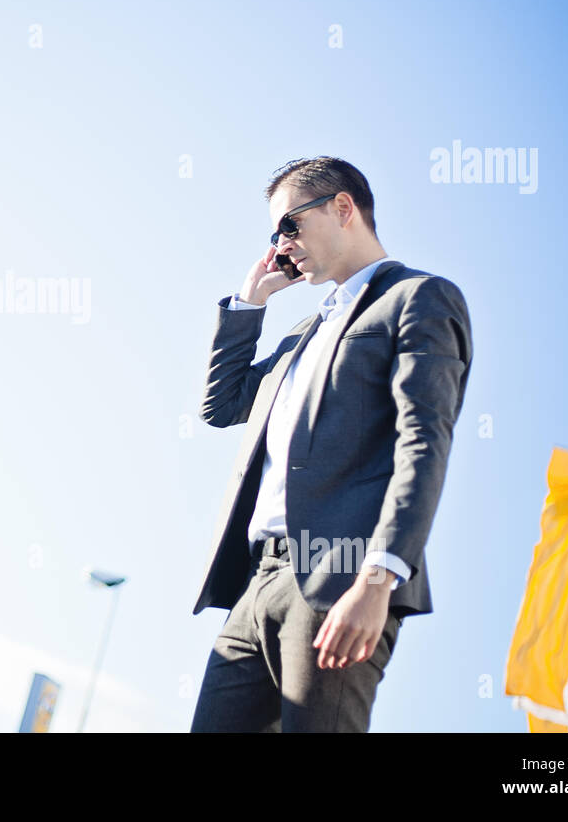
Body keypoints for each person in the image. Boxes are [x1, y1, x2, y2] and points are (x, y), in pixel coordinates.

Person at [189, 156, 472, 732]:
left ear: (343, 207)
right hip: (256, 585)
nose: (282, 244)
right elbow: (221, 407)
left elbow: (422, 442)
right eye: (275, 234)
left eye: (289, 225)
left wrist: (378, 578)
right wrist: (252, 301)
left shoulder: (418, 298)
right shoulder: (303, 335)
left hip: (341, 576)